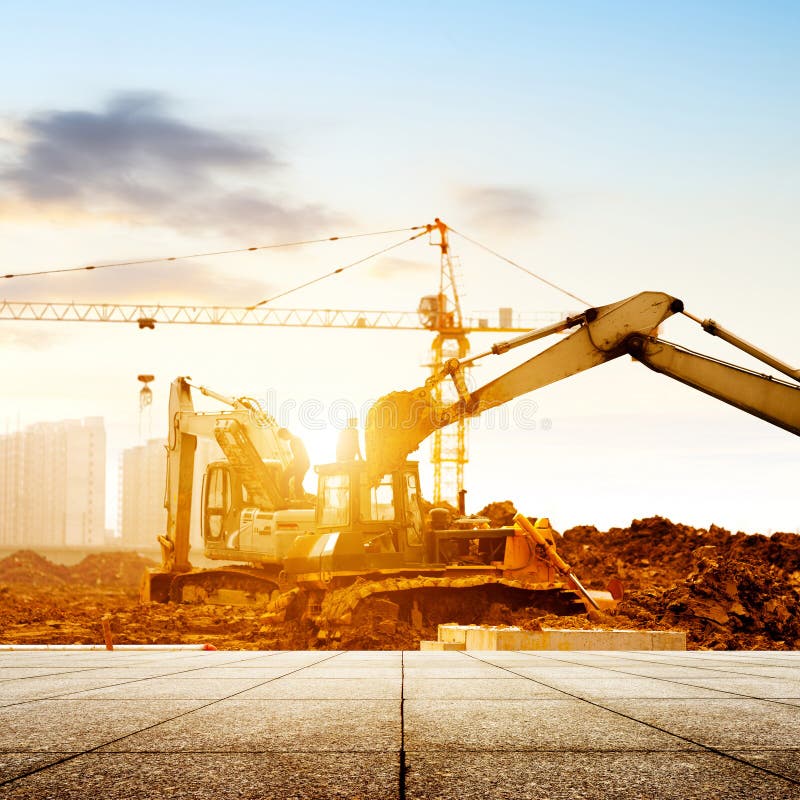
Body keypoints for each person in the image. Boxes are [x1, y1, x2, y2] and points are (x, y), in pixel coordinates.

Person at [277, 428, 310, 500]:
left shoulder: (294, 441)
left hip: (301, 464)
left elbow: (298, 453)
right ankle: (300, 499)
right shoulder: (296, 439)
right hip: (303, 463)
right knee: (297, 482)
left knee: (284, 479)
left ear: (285, 434)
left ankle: (285, 498)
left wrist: (293, 464)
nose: (284, 439)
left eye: (282, 437)